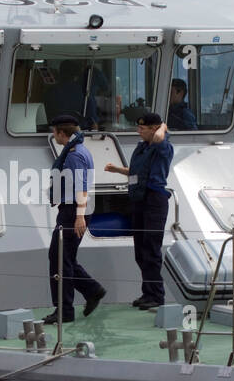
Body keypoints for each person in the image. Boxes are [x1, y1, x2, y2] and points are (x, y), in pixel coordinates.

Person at [105, 113, 172, 309]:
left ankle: (157, 296)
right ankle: (147, 292)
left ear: (153, 129)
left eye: (143, 128)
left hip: (154, 200)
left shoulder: (163, 146)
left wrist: (163, 126)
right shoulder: (142, 147)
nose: (138, 131)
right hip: (140, 200)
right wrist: (117, 169)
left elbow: (159, 137)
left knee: (151, 251)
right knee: (140, 252)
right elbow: (136, 172)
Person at [44, 113, 105, 325]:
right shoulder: (77, 150)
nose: (54, 135)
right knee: (64, 257)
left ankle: (64, 310)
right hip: (74, 210)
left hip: (73, 211)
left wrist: (79, 216)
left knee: (59, 258)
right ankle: (92, 290)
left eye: (55, 132)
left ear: (62, 133)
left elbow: (81, 186)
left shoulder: (74, 155)